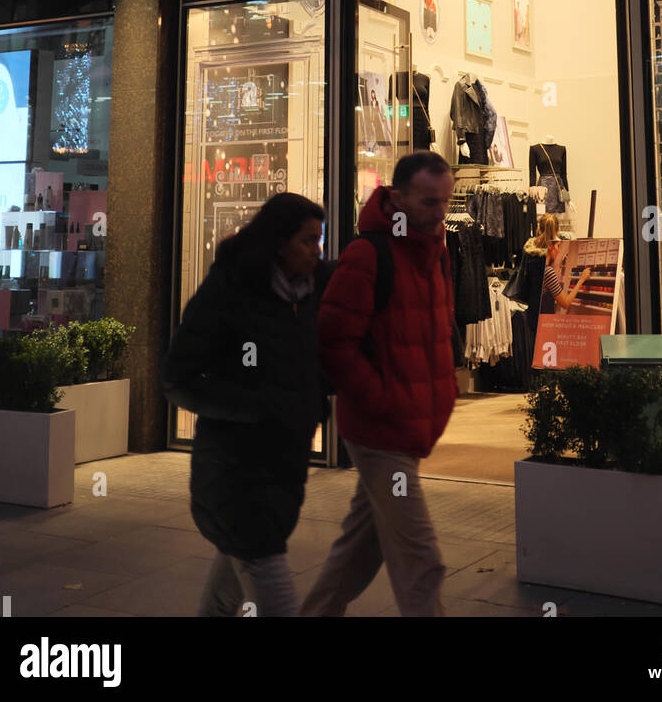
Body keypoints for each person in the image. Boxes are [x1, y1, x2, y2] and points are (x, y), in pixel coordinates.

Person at [300, 151, 456, 618]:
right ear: (399, 195)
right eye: (429, 203)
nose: (439, 214)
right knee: (421, 561)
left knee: (358, 552)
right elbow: (333, 342)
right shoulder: (368, 254)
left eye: (444, 203)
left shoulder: (436, 252)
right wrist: (384, 399)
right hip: (379, 432)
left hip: (405, 428)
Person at [161, 192, 328, 616]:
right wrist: (258, 407)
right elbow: (177, 380)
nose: (317, 250)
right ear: (278, 243)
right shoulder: (230, 291)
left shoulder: (306, 293)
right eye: (309, 240)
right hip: (235, 474)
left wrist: (312, 401)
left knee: (227, 589)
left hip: (281, 467)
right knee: (272, 588)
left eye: (319, 239)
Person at [534, 214, 592, 314]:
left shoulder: (533, 261)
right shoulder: (548, 272)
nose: (558, 250)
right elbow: (565, 303)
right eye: (558, 245)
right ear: (551, 246)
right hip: (544, 324)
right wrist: (581, 279)